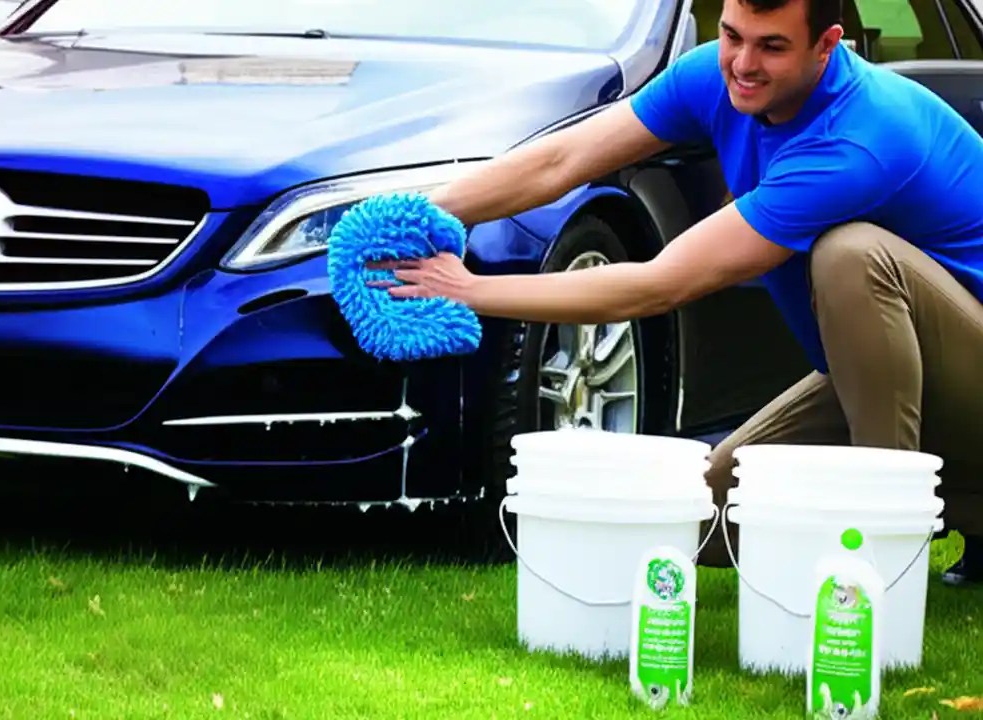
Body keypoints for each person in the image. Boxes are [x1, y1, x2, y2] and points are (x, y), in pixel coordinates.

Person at [373, 0, 983, 586]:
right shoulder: (717, 78)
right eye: (733, 35)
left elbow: (659, 284)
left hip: (966, 386)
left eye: (772, 46)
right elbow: (564, 159)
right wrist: (421, 213)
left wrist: (469, 290)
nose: (743, 63)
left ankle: (880, 555)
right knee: (696, 519)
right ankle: (954, 511)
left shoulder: (858, 142)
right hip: (893, 379)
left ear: (829, 45)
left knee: (850, 257)